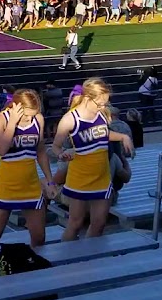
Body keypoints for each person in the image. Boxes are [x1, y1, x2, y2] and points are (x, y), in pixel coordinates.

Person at [0, 89, 57, 255]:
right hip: (6, 187)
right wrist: (12, 122)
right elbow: (2, 149)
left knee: (39, 237)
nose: (29, 119)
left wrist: (50, 181)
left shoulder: (38, 119)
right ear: (16, 107)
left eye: (32, 116)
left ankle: (34, 266)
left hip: (30, 186)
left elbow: (40, 151)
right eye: (26, 116)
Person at [51, 78, 135, 240]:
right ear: (88, 98)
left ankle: (90, 253)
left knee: (99, 223)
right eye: (100, 103)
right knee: (75, 223)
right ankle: (66, 253)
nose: (103, 107)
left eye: (105, 103)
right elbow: (55, 146)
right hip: (80, 179)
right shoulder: (70, 119)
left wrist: (123, 137)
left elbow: (103, 134)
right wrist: (61, 154)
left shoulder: (101, 113)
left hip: (102, 178)